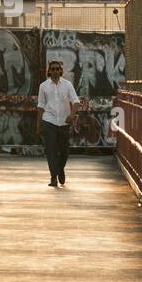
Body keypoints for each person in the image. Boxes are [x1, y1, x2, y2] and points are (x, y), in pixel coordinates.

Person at [36, 59, 85, 188]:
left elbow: (75, 102)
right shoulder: (43, 86)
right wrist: (39, 124)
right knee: (51, 150)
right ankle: (53, 177)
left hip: (64, 122)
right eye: (53, 69)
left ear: (61, 71)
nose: (55, 71)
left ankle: (60, 169)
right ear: (49, 71)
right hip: (49, 120)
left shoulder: (68, 85)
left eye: (58, 69)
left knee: (64, 151)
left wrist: (72, 115)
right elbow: (41, 106)